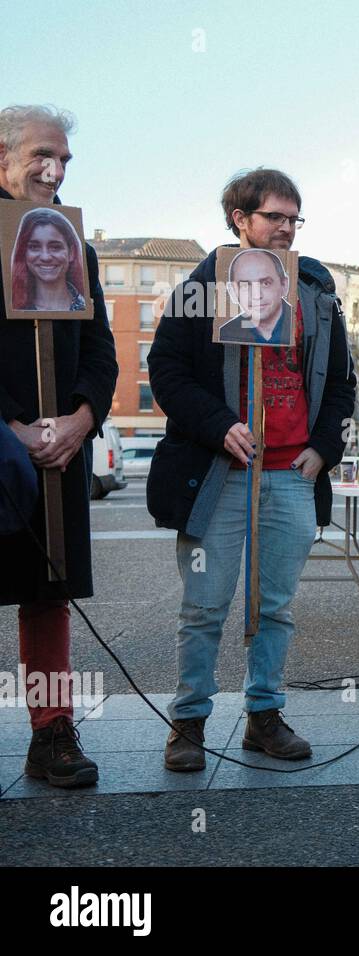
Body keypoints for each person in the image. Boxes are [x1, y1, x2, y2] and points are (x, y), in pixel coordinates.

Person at [148, 167, 356, 772]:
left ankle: (263, 715)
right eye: (274, 217)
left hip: (293, 473)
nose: (287, 229)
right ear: (240, 219)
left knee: (276, 607)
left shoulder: (316, 291)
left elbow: (339, 384)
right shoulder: (201, 288)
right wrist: (219, 425)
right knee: (205, 605)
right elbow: (167, 373)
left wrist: (323, 449)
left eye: (294, 219)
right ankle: (188, 723)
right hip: (220, 473)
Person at [0, 104, 118, 787]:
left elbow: (100, 350)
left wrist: (79, 419)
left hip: (61, 450)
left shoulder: (75, 244)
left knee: (47, 593)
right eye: (44, 154)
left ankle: (51, 735)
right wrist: (12, 425)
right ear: (4, 160)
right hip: (4, 444)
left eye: (65, 159)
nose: (56, 168)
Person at [9, 206, 87, 312]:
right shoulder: (12, 308)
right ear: (24, 252)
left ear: (71, 253)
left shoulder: (86, 307)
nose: (45, 257)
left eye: (55, 247)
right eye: (34, 247)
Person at [215, 248, 292, 345]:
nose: (257, 296)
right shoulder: (225, 333)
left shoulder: (304, 325)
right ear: (233, 292)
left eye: (265, 283)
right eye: (245, 286)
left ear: (284, 285)